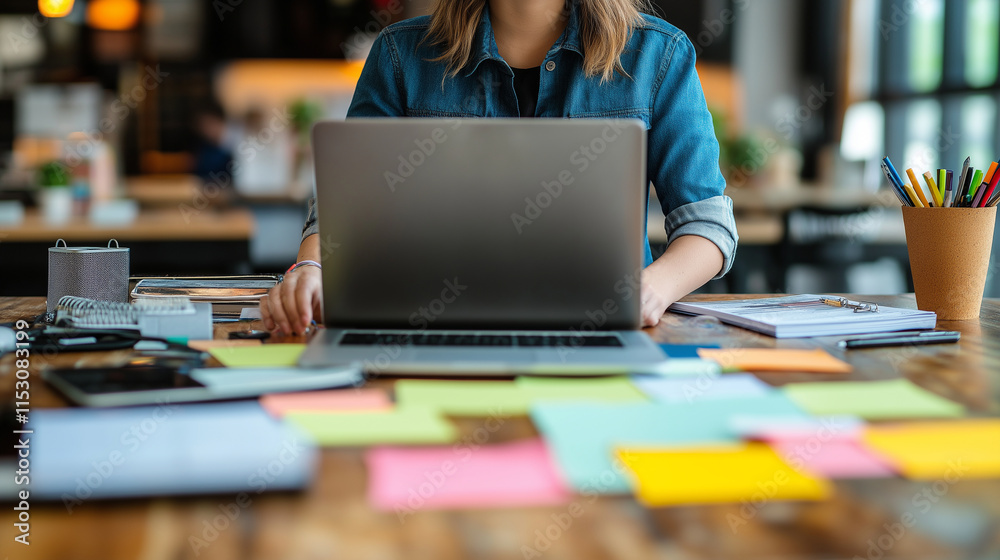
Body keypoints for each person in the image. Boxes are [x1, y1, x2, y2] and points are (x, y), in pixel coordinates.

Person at [261, 0, 738, 335]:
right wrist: (312, 266)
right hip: (423, 329)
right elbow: (347, 206)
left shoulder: (658, 56)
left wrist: (652, 288)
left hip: (603, 332)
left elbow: (707, 225)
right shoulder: (400, 55)